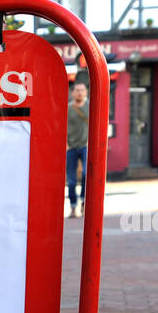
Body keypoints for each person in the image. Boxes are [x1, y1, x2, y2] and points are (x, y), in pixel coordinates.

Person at [66, 81, 89, 218]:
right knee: (71, 180)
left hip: (86, 146)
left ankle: (84, 201)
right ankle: (73, 207)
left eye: (82, 90)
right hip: (71, 147)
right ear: (73, 93)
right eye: (77, 90)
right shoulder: (68, 108)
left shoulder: (89, 106)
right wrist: (66, 145)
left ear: (85, 92)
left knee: (87, 174)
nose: (80, 92)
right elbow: (62, 126)